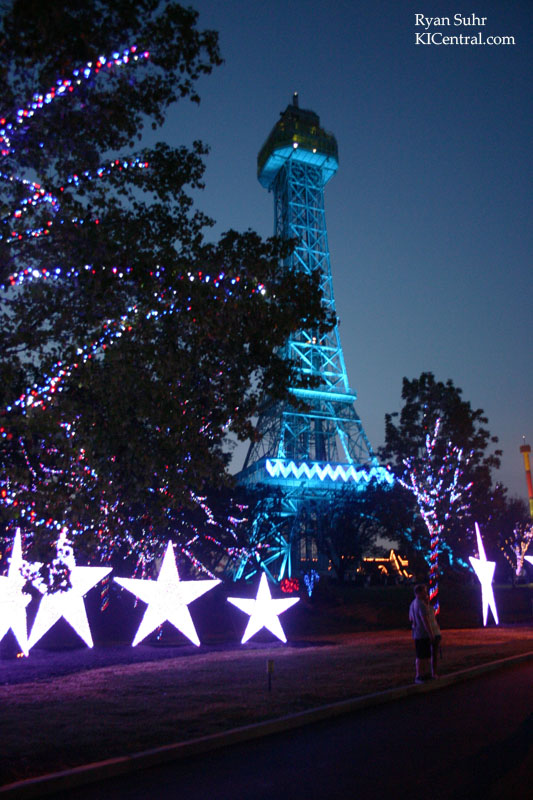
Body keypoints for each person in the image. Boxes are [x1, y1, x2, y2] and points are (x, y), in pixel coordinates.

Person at [409, 584, 441, 682]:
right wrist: (431, 634)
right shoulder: (421, 605)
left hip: (417, 633)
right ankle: (420, 675)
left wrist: (415, 624)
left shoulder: (413, 604)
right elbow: (425, 620)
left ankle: (422, 674)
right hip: (423, 634)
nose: (426, 593)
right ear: (419, 592)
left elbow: (410, 618)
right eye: (424, 591)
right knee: (424, 656)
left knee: (421, 655)